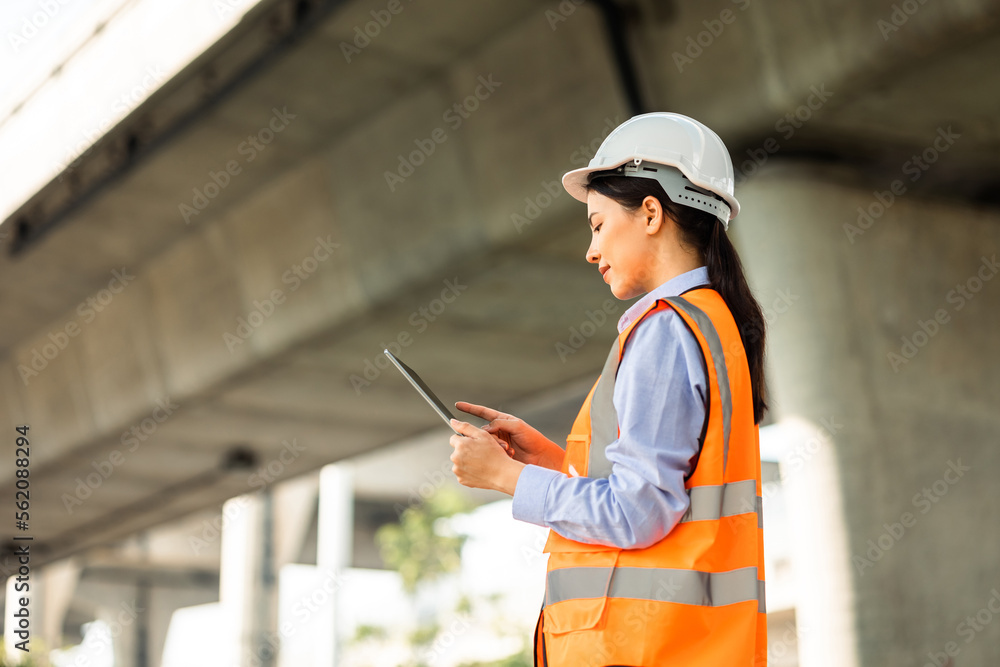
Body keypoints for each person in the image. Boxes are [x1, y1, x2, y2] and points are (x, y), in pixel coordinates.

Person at [447, 112, 769, 666]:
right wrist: (546, 461)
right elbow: (670, 492)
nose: (591, 251)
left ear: (650, 213)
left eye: (597, 225)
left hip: (644, 650)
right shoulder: (706, 321)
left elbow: (640, 510)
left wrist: (509, 478)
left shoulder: (667, 329)